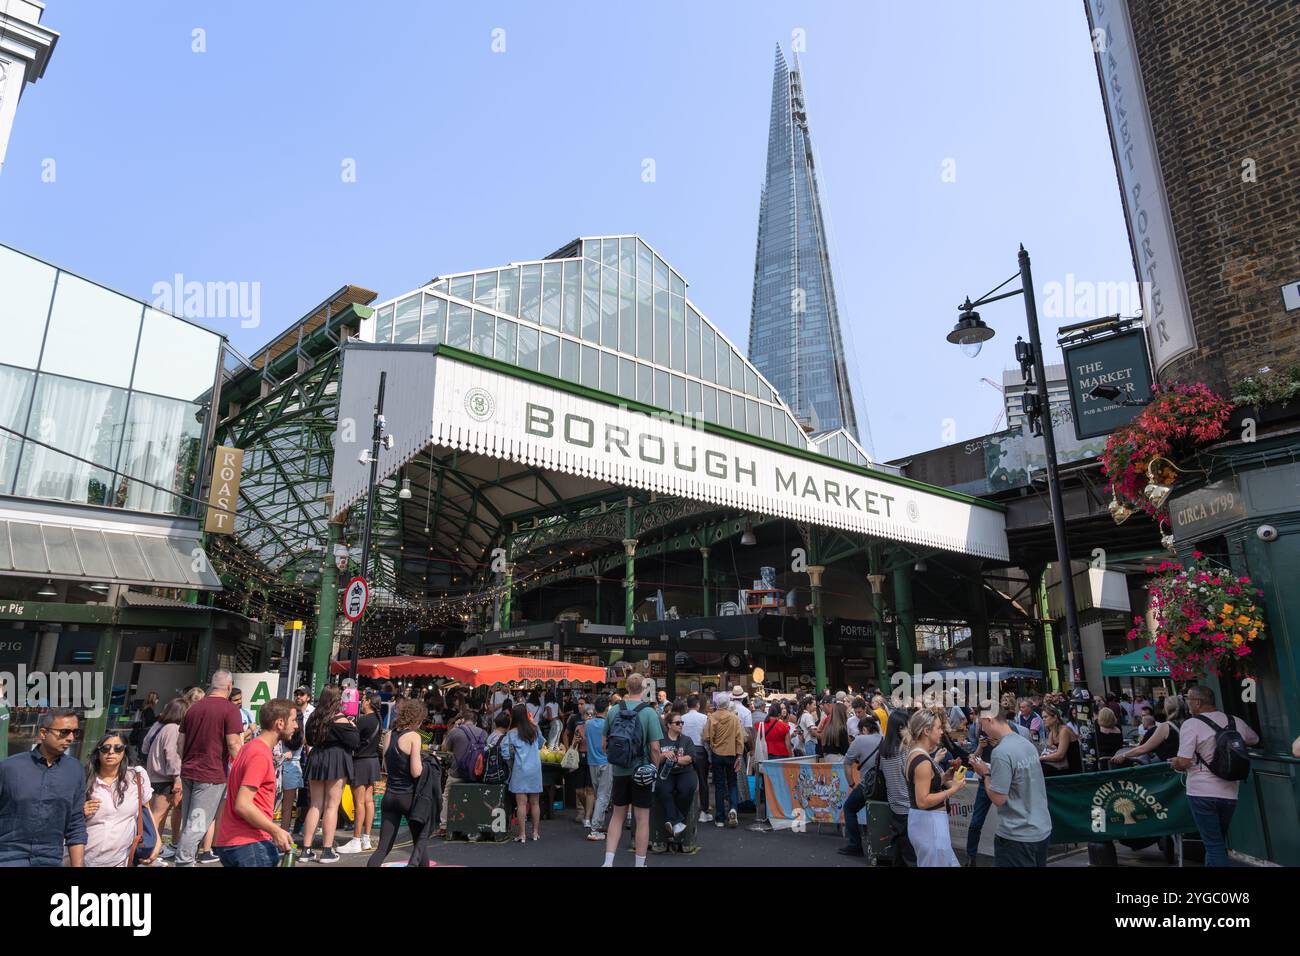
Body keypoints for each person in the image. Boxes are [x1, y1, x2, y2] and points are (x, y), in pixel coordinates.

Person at [1171, 685, 1260, 867]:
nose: (1187, 703)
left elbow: (1184, 760)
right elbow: (1254, 739)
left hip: (1201, 793)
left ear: (1197, 702)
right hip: (1230, 793)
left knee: (1213, 845)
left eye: (1188, 699)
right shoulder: (1235, 721)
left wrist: (1175, 764)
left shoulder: (1191, 724)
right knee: (1216, 842)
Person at [968, 700, 1052, 867]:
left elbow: (998, 799)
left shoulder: (1001, 752)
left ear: (989, 720)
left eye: (981, 724)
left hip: (1017, 836)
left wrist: (984, 773)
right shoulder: (1026, 744)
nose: (982, 730)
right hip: (1041, 830)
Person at [213, 698, 297, 867]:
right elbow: (243, 805)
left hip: (233, 842)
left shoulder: (248, 748)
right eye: (293, 720)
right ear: (280, 723)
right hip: (249, 844)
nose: (296, 726)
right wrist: (276, 830)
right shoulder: (259, 754)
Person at [0, 709, 86, 866]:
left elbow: (76, 824)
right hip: (8, 857)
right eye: (64, 732)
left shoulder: (75, 771)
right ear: (43, 733)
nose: (71, 738)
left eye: (75, 732)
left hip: (50, 859)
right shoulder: (9, 768)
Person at [174, 671, 243, 867]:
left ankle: (186, 858)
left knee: (190, 821)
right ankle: (184, 862)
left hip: (189, 770)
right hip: (211, 774)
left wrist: (187, 760)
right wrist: (242, 769)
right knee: (197, 824)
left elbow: (180, 743)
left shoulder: (193, 709)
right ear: (229, 687)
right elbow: (234, 745)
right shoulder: (230, 710)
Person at [601, 673, 663, 867]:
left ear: (626, 688)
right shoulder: (649, 712)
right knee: (642, 818)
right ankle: (639, 863)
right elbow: (655, 748)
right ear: (644, 688)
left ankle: (608, 861)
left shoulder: (613, 711)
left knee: (617, 816)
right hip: (641, 770)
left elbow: (605, 744)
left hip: (620, 770)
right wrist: (654, 769)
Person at [78, 730, 156, 867]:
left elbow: (146, 810)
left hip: (120, 860)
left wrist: (157, 840)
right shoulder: (84, 778)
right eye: (105, 748)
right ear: (98, 752)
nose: (111, 752)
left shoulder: (137, 777)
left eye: (118, 748)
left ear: (125, 751)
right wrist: (80, 811)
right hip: (83, 858)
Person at [299, 685, 359, 863]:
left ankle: (306, 850)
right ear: (337, 700)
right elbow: (355, 742)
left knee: (315, 805)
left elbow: (308, 739)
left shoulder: (314, 717)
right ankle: (326, 850)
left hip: (316, 758)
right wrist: (352, 725)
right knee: (332, 806)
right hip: (336, 760)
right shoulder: (341, 720)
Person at [368, 699, 431, 867]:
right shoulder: (414, 737)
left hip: (389, 796)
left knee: (382, 848)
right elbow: (416, 771)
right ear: (416, 719)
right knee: (419, 844)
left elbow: (387, 767)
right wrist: (428, 765)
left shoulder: (389, 734)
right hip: (408, 797)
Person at [904, 708, 964, 867]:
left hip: (927, 823)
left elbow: (924, 785)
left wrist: (944, 777)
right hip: (929, 824)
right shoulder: (922, 760)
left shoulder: (916, 754)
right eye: (938, 728)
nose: (941, 732)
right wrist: (952, 789)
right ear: (926, 731)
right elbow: (923, 800)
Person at [141, 697, 186, 860]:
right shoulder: (174, 729)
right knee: (158, 816)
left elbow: (144, 746)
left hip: (152, 775)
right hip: (165, 777)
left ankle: (154, 848)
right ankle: (151, 850)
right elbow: (172, 756)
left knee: (154, 814)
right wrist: (177, 778)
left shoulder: (157, 726)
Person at [339, 692, 382, 853]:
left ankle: (356, 840)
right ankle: (366, 838)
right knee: (369, 801)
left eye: (363, 700)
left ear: (368, 702)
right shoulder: (378, 720)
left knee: (359, 803)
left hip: (361, 762)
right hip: (372, 762)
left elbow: (353, 740)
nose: (361, 703)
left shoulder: (363, 720)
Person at [438, 705, 488, 837]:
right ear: (476, 721)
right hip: (477, 775)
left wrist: (454, 727)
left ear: (463, 720)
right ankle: (473, 824)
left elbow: (444, 748)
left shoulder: (456, 731)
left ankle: (444, 826)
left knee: (447, 796)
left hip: (456, 773)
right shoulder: (483, 733)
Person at [840, 712, 882, 859]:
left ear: (864, 729)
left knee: (849, 808)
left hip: (868, 786)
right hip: (886, 787)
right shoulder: (885, 739)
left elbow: (847, 763)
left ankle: (855, 845)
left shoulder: (859, 740)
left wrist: (851, 783)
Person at [704, 692, 744, 828]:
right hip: (731, 754)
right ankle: (733, 809)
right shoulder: (734, 718)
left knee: (719, 785)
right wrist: (739, 755)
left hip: (717, 754)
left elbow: (706, 736)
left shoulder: (712, 717)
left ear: (717, 704)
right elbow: (739, 738)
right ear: (728, 704)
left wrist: (713, 745)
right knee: (732, 783)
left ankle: (720, 818)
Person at [504, 703, 543, 842]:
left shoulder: (511, 733)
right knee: (535, 802)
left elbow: (505, 752)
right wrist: (535, 724)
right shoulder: (534, 729)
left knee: (521, 803)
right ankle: (535, 833)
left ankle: (522, 834)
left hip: (520, 769)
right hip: (535, 769)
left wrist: (509, 761)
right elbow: (540, 744)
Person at [657, 711, 698, 839]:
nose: (681, 725)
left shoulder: (686, 740)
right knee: (663, 790)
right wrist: (664, 755)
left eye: (682, 722)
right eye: (677, 723)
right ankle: (677, 822)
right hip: (666, 772)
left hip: (684, 771)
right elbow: (655, 759)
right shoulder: (660, 740)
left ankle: (673, 820)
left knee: (687, 789)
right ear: (669, 725)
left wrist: (676, 759)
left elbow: (690, 758)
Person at [1112, 695, 1182, 766]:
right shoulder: (1187, 723)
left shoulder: (1165, 726)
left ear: (1167, 709)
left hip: (1166, 767)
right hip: (1182, 764)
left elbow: (1144, 748)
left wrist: (1123, 755)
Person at [679, 694, 711, 824]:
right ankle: (704, 811)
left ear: (687, 704)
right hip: (700, 750)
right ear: (697, 705)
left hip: (686, 751)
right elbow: (707, 738)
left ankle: (684, 810)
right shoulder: (704, 718)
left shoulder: (681, 718)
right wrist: (709, 755)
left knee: (685, 780)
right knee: (703, 781)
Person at [586, 696, 613, 841]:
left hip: (592, 762)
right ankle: (595, 828)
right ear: (607, 708)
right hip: (606, 761)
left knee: (599, 795)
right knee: (603, 795)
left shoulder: (588, 724)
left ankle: (599, 823)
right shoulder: (608, 725)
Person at [1038, 704, 1081, 777]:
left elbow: (1060, 755)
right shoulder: (1051, 732)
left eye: (1046, 717)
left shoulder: (1064, 730)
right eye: (1042, 717)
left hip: (1072, 767)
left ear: (1055, 717)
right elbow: (1049, 751)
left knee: (1042, 769)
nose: (1043, 719)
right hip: (1061, 765)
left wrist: (1041, 758)